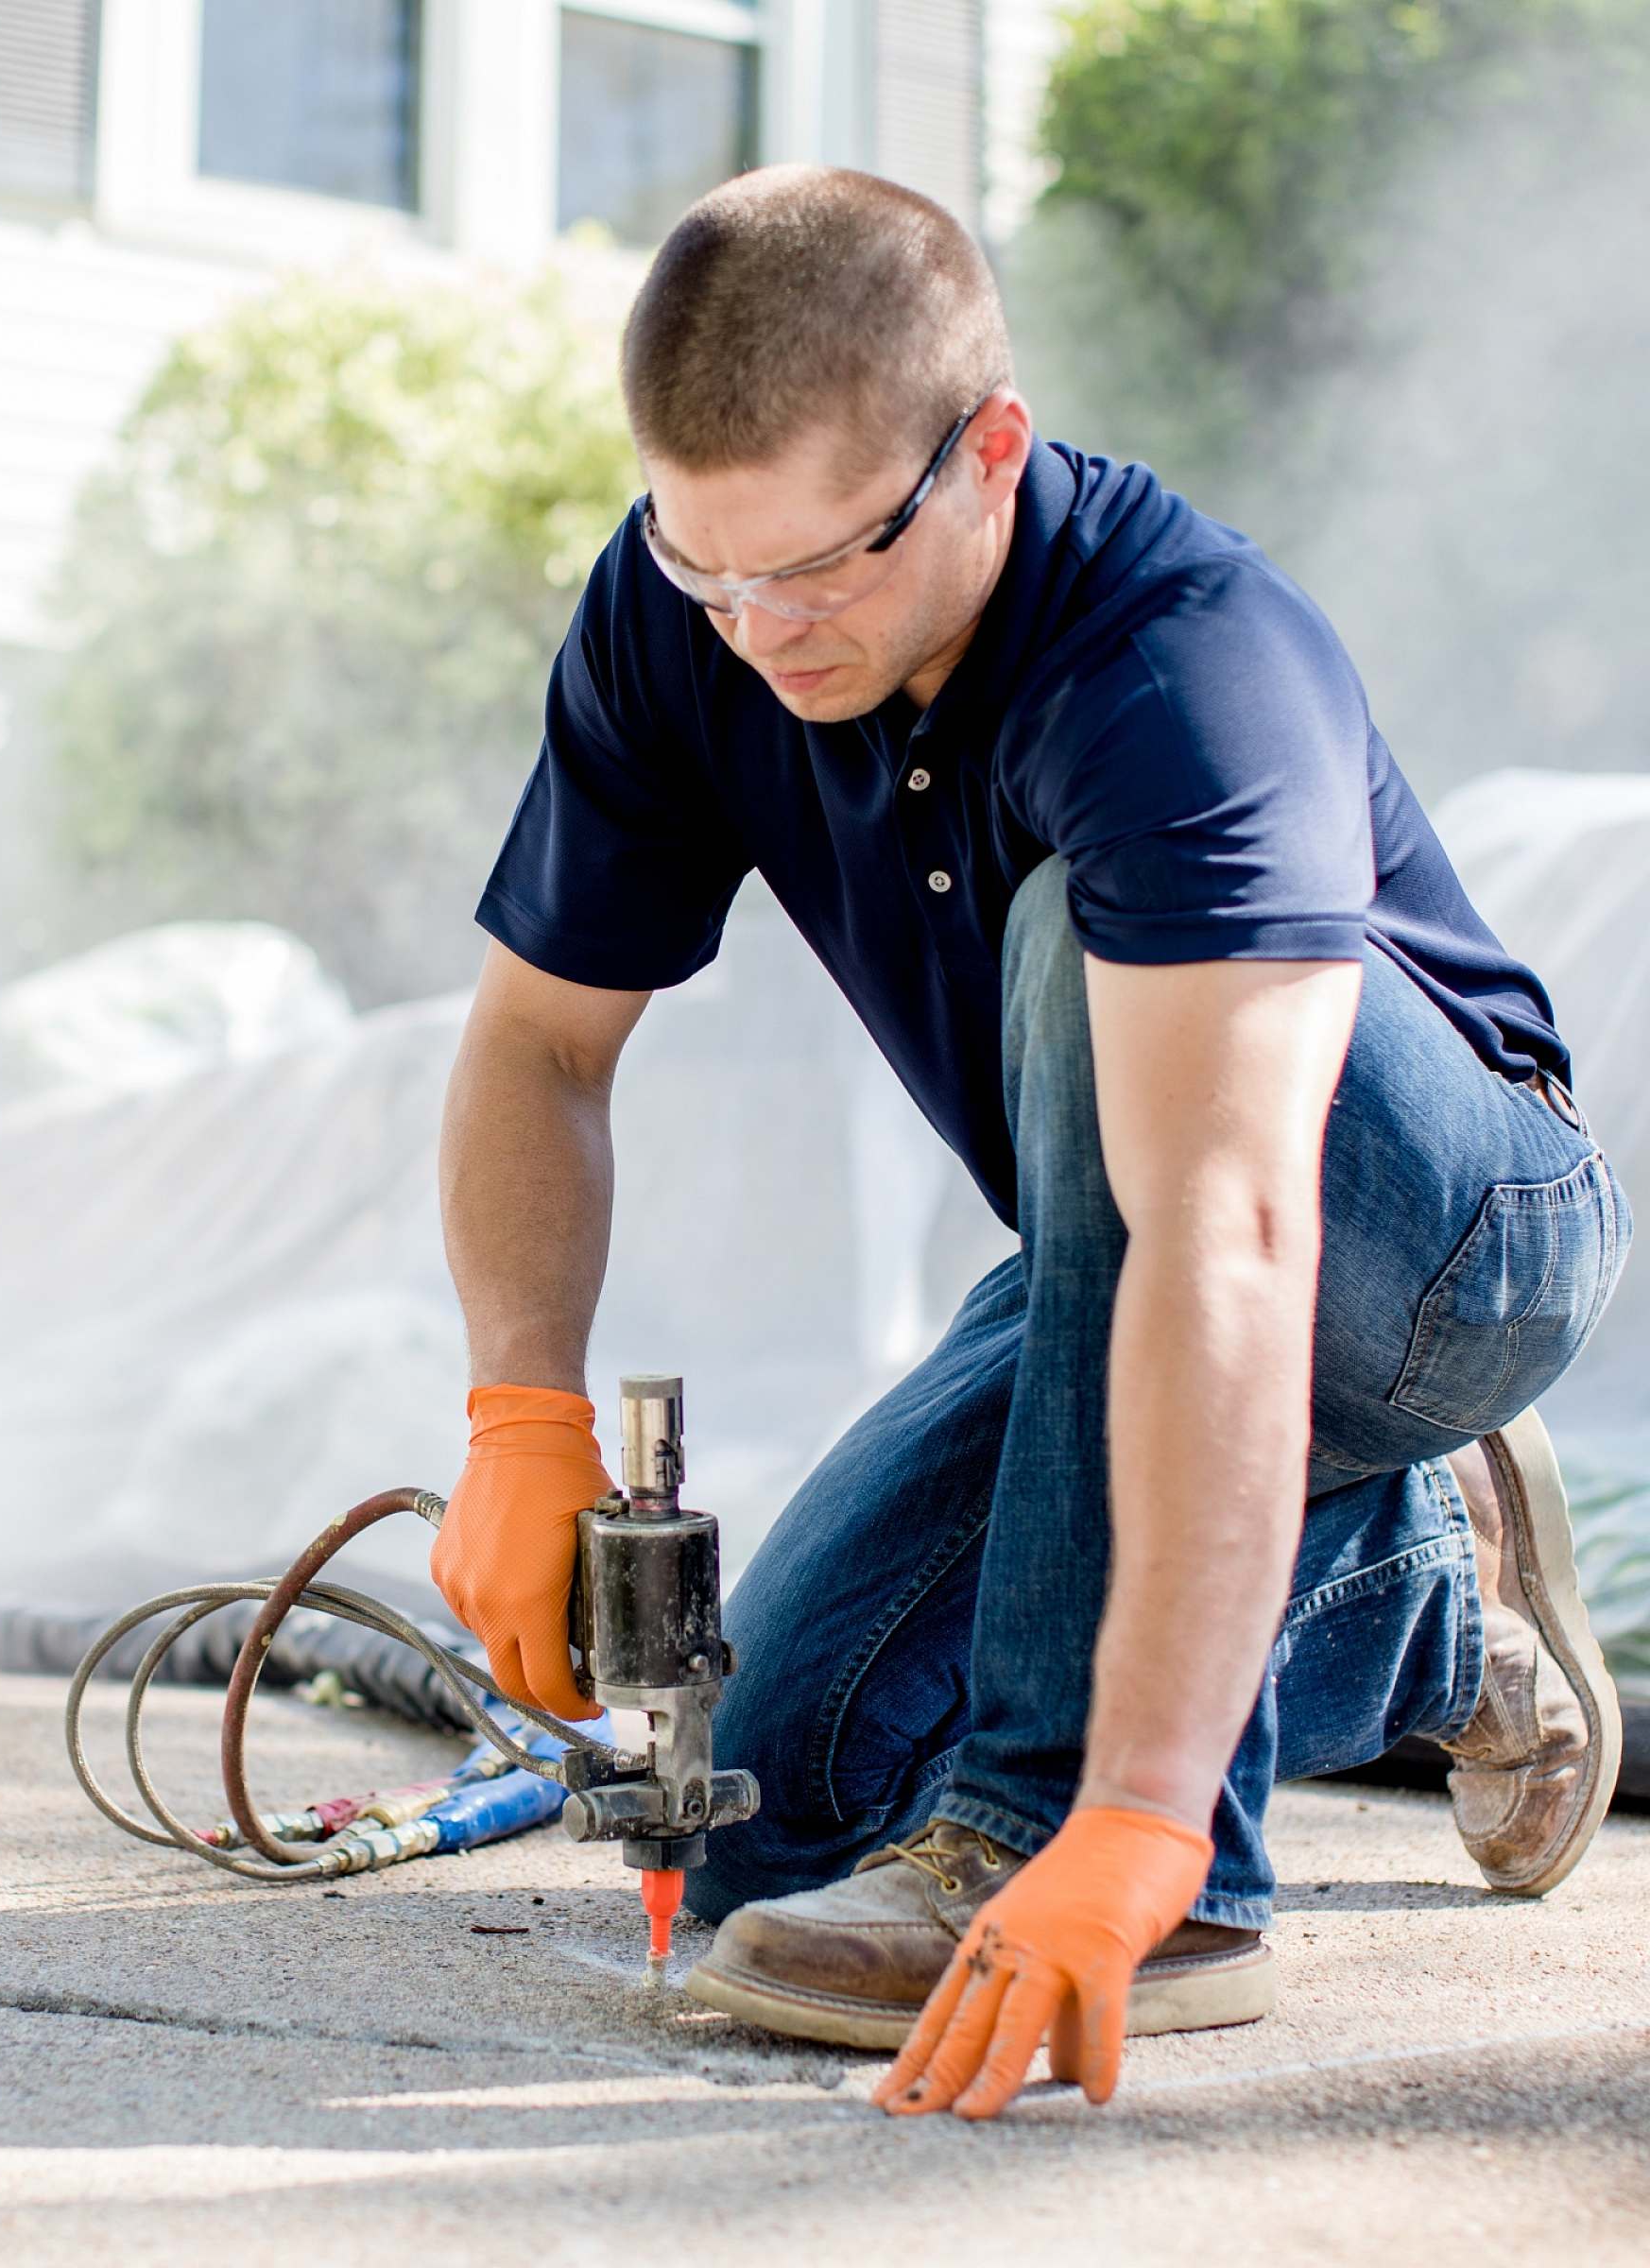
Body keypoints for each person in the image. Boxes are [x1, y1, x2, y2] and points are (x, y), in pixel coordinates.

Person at [425, 166, 1633, 2122]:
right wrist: (516, 1411)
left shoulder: (1178, 668)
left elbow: (1230, 1236)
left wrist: (1139, 1811)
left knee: (1079, 935)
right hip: (1120, 1257)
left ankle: (1119, 1854)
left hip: (1444, 1242)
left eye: (816, 569)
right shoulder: (690, 613)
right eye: (707, 566)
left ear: (988, 448)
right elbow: (536, 1045)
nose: (757, 632)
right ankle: (1424, 1602)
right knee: (778, 1814)